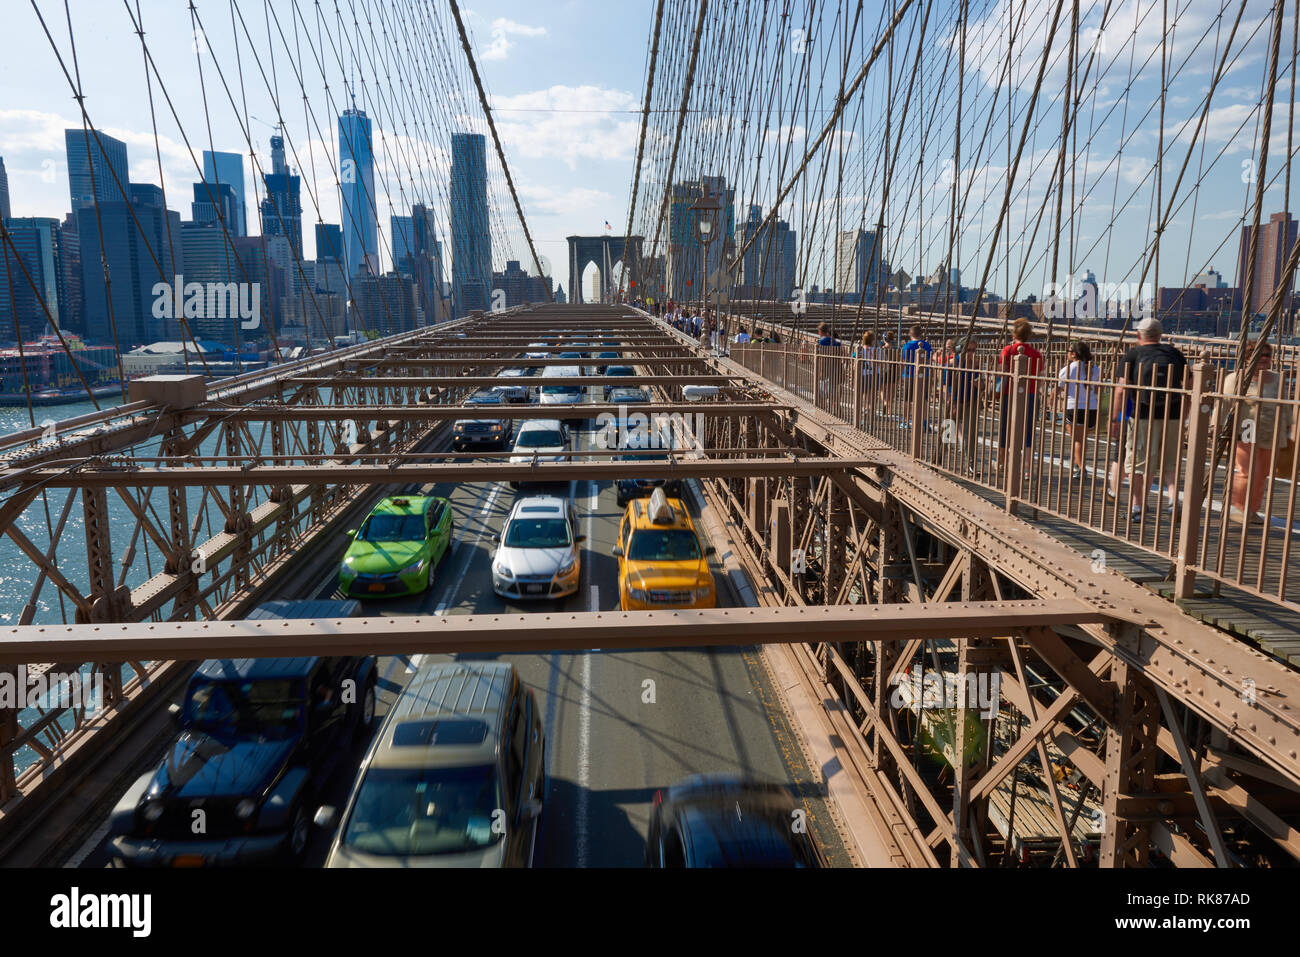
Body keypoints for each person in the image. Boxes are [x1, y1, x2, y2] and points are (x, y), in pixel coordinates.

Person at [1114, 316, 1187, 519]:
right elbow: (1189, 386)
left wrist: (1116, 419)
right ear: (1160, 335)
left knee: (1137, 463)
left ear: (1139, 335)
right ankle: (1173, 503)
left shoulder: (1133, 354)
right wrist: (1185, 416)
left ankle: (1137, 508)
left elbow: (1121, 390)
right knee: (1171, 462)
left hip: (1142, 416)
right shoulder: (1175, 354)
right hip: (1172, 415)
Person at [1222, 341, 1294, 524]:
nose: (1264, 359)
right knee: (1247, 471)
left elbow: (1284, 405)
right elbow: (1224, 405)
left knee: (1262, 473)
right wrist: (1217, 426)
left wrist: (1287, 427)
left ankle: (1253, 509)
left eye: (1267, 356)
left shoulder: (1277, 379)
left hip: (1272, 430)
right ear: (1248, 358)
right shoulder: (1235, 378)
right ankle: (1241, 507)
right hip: (1247, 428)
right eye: (1259, 355)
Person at [994, 319, 1045, 472]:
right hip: (1030, 395)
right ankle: (1027, 467)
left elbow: (1001, 372)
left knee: (1005, 427)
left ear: (1014, 333)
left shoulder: (1008, 350)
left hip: (1010, 394)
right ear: (1029, 335)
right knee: (1028, 430)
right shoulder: (1037, 354)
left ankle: (1002, 463)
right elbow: (1041, 377)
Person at [1054, 340, 1101, 480]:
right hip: (1091, 407)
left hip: (1075, 407)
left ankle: (1081, 467)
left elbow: (1058, 387)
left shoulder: (1069, 369)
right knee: (1082, 439)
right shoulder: (1095, 368)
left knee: (1077, 440)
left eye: (1069, 351)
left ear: (1074, 354)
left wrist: (1052, 401)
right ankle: (1076, 462)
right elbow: (1097, 389)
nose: (1067, 354)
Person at [941, 335, 982, 473]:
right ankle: (939, 457)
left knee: (970, 434)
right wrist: (950, 402)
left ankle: (970, 465)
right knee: (947, 431)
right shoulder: (953, 363)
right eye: (969, 350)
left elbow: (982, 382)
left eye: (974, 349)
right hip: (955, 400)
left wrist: (980, 384)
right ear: (960, 349)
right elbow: (945, 384)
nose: (972, 353)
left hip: (972, 400)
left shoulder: (976, 363)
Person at [900, 324, 932, 431]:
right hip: (924, 375)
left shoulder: (907, 346)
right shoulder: (927, 345)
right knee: (924, 399)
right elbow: (929, 361)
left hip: (909, 375)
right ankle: (924, 422)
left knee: (907, 399)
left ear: (910, 334)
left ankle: (905, 421)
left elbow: (903, 362)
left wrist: (901, 375)